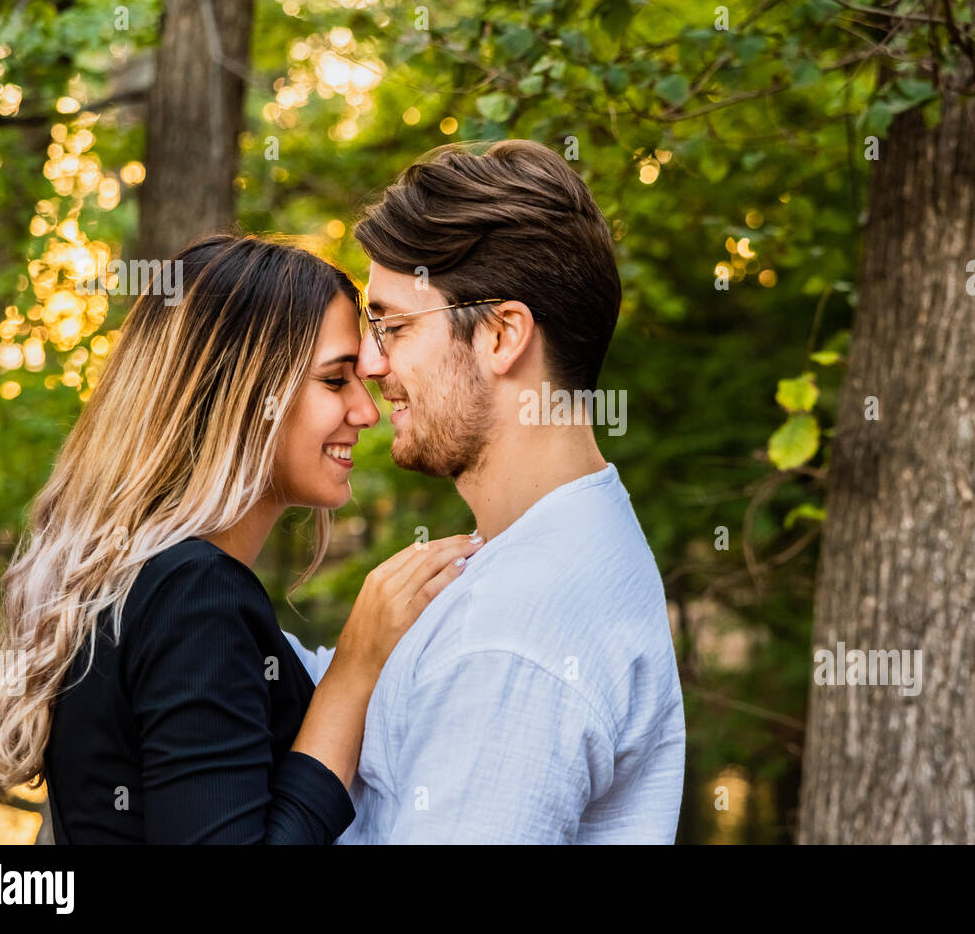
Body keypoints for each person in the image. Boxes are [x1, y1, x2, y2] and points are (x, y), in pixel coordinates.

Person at [0, 234, 481, 843]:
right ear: (243, 395)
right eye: (334, 380)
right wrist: (354, 671)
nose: (366, 411)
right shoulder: (194, 591)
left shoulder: (144, 580)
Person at [293, 139, 686, 843]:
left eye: (394, 324)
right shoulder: (549, 546)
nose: (372, 362)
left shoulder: (512, 636)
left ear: (502, 334)